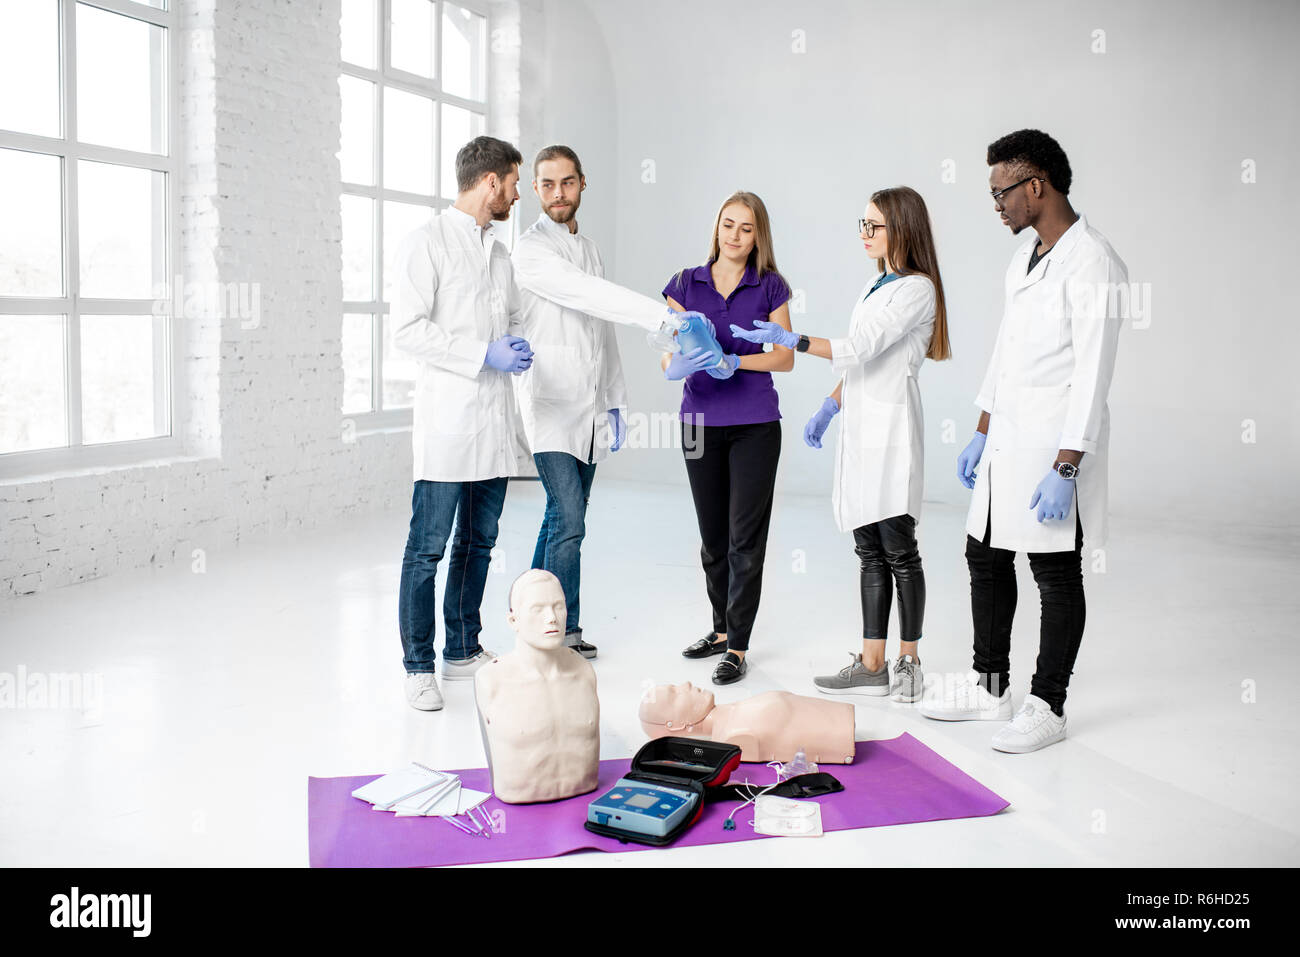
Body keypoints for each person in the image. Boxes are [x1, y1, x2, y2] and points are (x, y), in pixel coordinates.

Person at [920, 129, 1127, 753]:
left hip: (1051, 447)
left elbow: (1093, 374)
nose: (997, 205)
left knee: (1055, 574)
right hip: (1007, 438)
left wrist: (1066, 468)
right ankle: (990, 687)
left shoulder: (1094, 261)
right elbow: (1006, 352)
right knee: (984, 555)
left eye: (1001, 192)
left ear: (1035, 185)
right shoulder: (1026, 255)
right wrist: (981, 430)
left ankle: (1049, 704)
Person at [732, 187, 951, 703]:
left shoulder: (916, 289)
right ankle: (872, 664)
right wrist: (832, 404)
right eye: (863, 223)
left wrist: (795, 340)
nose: (865, 234)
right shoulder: (878, 284)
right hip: (861, 427)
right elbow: (859, 364)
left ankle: (909, 662)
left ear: (901, 228)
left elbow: (860, 347)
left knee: (899, 548)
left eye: (874, 225)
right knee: (868, 549)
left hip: (891, 432)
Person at [510, 145, 699, 660]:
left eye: (567, 183)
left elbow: (599, 326)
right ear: (534, 190)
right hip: (548, 404)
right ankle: (564, 632)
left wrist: (614, 397)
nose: (557, 194)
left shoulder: (588, 247)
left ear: (582, 184)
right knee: (569, 518)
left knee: (560, 517)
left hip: (588, 406)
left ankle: (531, 616)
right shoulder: (529, 252)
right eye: (547, 185)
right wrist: (663, 318)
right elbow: (587, 295)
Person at [392, 135, 534, 712]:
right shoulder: (426, 243)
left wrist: (519, 344)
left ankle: (463, 649)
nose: (518, 193)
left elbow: (516, 315)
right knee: (428, 548)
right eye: (515, 182)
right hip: (449, 423)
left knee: (479, 543)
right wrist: (483, 353)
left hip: (494, 423)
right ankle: (417, 665)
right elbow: (407, 329)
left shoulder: (500, 253)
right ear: (491, 181)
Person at [663, 191, 794, 685]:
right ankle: (719, 630)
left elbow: (785, 356)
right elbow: (667, 352)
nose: (735, 236)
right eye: (728, 225)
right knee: (712, 540)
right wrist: (677, 364)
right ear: (716, 227)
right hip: (698, 424)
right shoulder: (684, 283)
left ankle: (738, 645)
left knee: (745, 541)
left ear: (759, 235)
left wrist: (735, 360)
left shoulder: (770, 285)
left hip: (755, 425)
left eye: (746, 228)